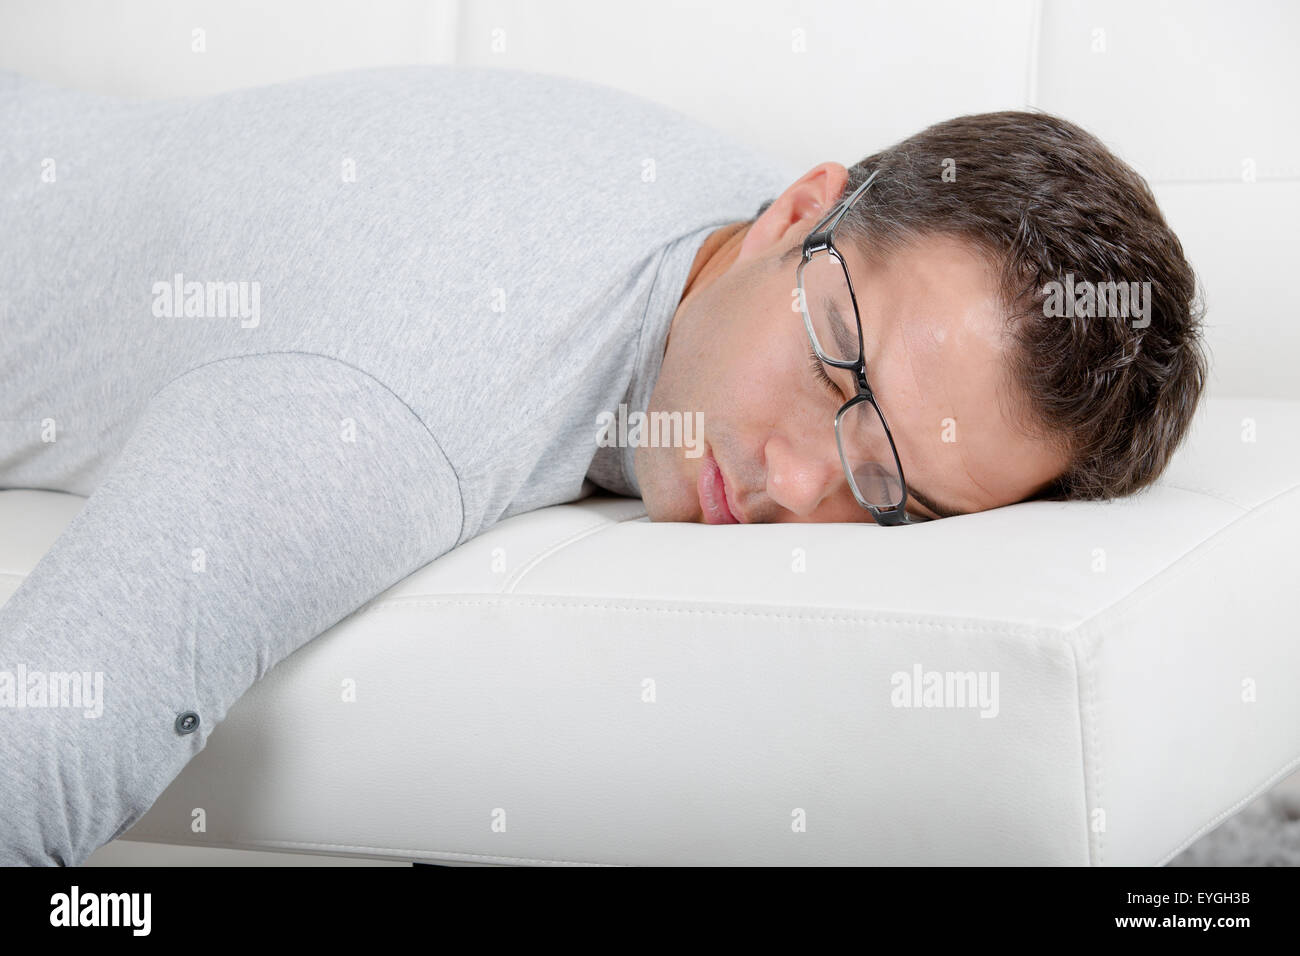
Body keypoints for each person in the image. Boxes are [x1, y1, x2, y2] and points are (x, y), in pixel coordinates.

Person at [0, 64, 1207, 865]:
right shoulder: (390, 410)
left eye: (893, 490)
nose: (799, 482)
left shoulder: (715, 227)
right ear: (802, 207)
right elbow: (29, 760)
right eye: (840, 365)